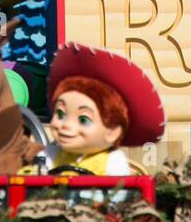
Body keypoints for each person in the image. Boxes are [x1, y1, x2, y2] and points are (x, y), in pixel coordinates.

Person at [41, 43, 166, 176]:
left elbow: (119, 192)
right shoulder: (51, 154)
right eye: (60, 114)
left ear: (112, 132)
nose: (66, 125)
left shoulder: (113, 162)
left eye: (83, 119)